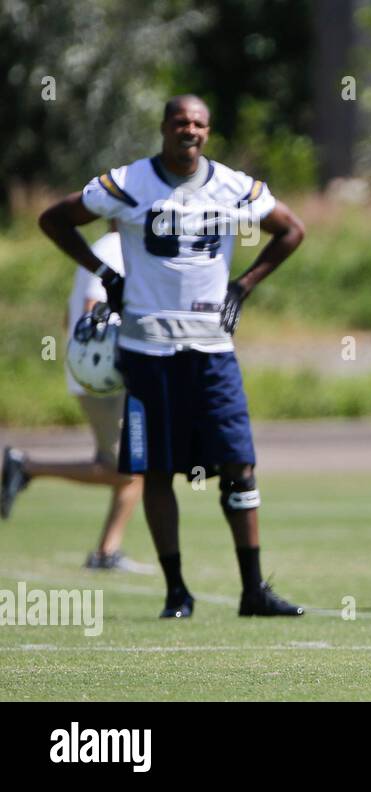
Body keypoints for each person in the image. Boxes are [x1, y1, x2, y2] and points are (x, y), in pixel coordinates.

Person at [36, 94, 307, 616]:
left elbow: (292, 230)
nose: (191, 130)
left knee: (239, 464)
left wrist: (244, 286)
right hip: (147, 351)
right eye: (181, 121)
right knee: (156, 471)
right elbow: (55, 219)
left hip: (212, 350)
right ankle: (176, 591)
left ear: (209, 131)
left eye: (200, 123)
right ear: (164, 127)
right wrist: (106, 273)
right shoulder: (130, 181)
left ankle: (253, 590)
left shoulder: (233, 186)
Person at [2, 223, 149, 572]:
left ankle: (107, 552)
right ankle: (27, 466)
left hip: (102, 374)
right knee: (127, 470)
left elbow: (68, 318)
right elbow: (92, 311)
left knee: (139, 462)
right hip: (106, 377)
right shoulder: (114, 248)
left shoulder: (111, 247)